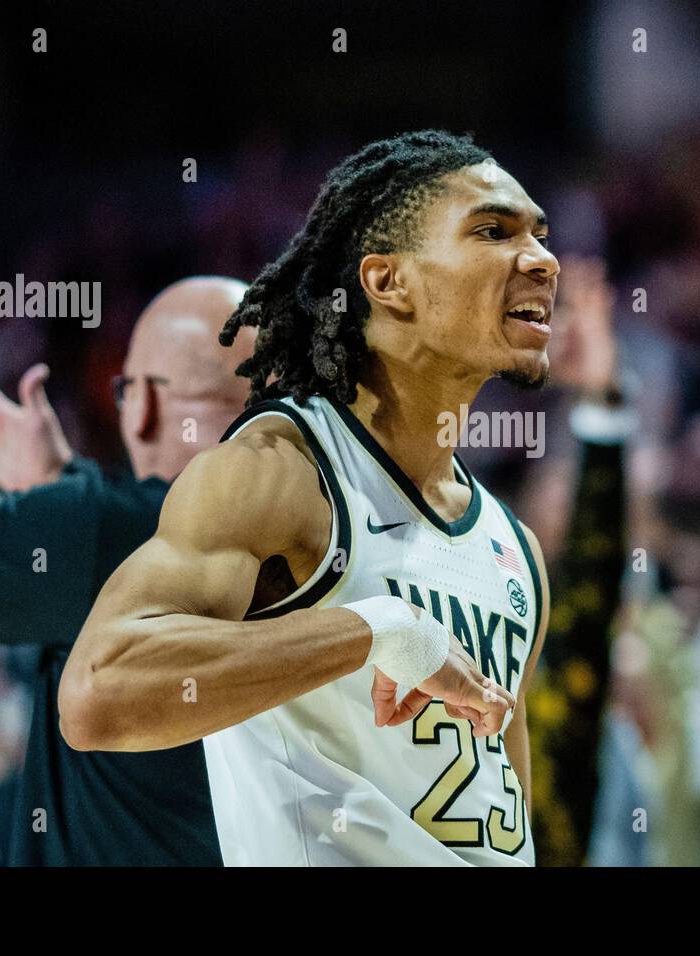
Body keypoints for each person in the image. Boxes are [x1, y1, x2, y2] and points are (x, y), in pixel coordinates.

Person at [62, 130, 553, 866]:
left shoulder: (516, 550)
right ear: (388, 283)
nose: (542, 260)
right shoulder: (279, 473)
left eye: (541, 235)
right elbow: (101, 691)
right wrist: (378, 629)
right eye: (493, 230)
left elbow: (507, 827)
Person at [0, 276, 253, 864]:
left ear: (146, 408)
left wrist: (63, 512)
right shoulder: (324, 533)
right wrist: (62, 493)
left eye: (122, 392)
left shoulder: (102, 536)